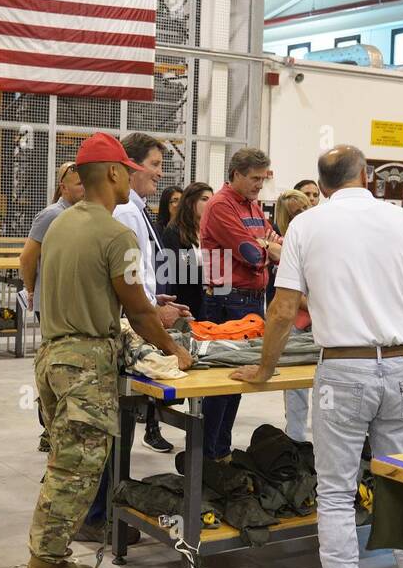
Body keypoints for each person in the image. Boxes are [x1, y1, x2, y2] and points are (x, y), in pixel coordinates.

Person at [230, 145, 403, 568]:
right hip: (401, 365)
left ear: (321, 183)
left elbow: (284, 309)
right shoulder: (402, 220)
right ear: (366, 176)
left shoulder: (308, 225)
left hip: (344, 369)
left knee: (335, 494)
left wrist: (266, 368)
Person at [17, 133, 194, 568]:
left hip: (53, 359)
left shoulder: (61, 224)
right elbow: (139, 312)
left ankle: (52, 567)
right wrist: (173, 348)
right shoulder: (117, 234)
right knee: (73, 478)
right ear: (115, 173)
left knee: (63, 469)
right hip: (85, 367)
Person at [200, 146, 281, 461]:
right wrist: (266, 248)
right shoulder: (221, 206)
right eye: (254, 178)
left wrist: (267, 246)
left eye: (263, 179)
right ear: (235, 174)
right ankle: (208, 456)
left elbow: (276, 242)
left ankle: (221, 451)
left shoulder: (252, 205)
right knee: (222, 382)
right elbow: (252, 253)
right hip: (226, 301)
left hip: (249, 301)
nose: (259, 185)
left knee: (239, 380)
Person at [113, 132, 190, 455]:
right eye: (155, 165)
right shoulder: (128, 212)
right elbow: (126, 278)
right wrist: (152, 313)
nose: (161, 172)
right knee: (120, 420)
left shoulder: (135, 209)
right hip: (130, 322)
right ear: (132, 166)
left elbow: (135, 271)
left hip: (137, 313)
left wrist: (152, 298)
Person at [20, 163, 84, 452]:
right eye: (78, 183)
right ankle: (48, 430)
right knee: (52, 370)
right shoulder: (51, 215)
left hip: (73, 305)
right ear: (64, 187)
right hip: (51, 306)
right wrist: (33, 290)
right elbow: (27, 258)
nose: (84, 188)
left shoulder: (82, 217)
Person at [273, 189, 314, 442]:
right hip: (300, 322)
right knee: (296, 387)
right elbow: (290, 294)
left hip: (320, 321)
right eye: (295, 212)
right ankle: (296, 441)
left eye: (306, 206)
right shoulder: (286, 244)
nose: (302, 214)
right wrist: (320, 307)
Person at [159, 181, 212, 320]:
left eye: (212, 200)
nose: (210, 204)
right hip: (185, 302)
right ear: (190, 202)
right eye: (205, 199)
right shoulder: (175, 231)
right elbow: (185, 269)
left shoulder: (210, 231)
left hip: (207, 302)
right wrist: (211, 273)